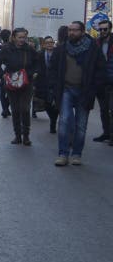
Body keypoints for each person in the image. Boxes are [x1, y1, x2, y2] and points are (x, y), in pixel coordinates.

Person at [48, 21, 106, 165]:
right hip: (66, 89)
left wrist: (94, 87)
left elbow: (101, 70)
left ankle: (76, 154)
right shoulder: (61, 49)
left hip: (84, 91)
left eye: (75, 30)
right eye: (70, 30)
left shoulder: (93, 49)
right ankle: (63, 154)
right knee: (64, 121)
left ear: (82, 31)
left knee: (81, 125)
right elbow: (53, 69)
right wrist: (54, 87)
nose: (71, 33)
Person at [0, 28, 39, 145]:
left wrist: (35, 72)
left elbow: (38, 62)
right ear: (14, 37)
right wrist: (2, 74)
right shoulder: (7, 49)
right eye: (20, 37)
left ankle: (26, 136)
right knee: (15, 109)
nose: (22, 40)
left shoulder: (29, 49)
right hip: (11, 82)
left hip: (26, 82)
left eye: (24, 37)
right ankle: (17, 135)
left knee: (24, 108)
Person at [93, 19, 113, 143]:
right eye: (100, 29)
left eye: (105, 29)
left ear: (110, 29)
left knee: (112, 109)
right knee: (103, 110)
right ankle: (106, 133)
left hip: (112, 81)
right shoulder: (97, 43)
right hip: (101, 82)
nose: (102, 31)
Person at [34, 35, 59, 134]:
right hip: (43, 83)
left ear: (54, 43)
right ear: (44, 45)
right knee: (47, 104)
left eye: (51, 42)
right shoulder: (39, 54)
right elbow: (36, 66)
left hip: (55, 83)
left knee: (55, 104)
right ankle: (52, 118)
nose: (49, 44)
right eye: (47, 43)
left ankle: (53, 122)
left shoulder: (58, 54)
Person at [0, 29, 12, 118]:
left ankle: (4, 108)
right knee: (10, 91)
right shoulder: (12, 46)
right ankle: (6, 108)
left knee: (2, 91)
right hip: (8, 71)